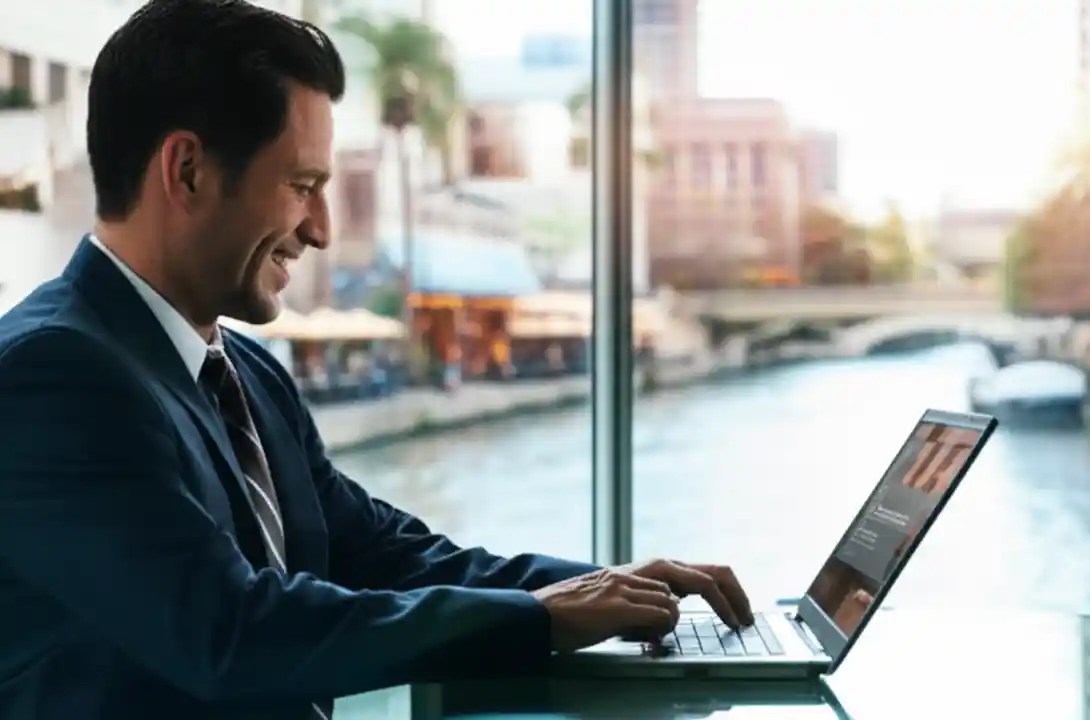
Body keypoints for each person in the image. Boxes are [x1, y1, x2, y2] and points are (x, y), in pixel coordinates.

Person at [0, 2, 752, 718]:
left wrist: (605, 589)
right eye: (302, 187)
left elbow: (387, 556)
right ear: (188, 170)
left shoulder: (248, 374)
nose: (322, 229)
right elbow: (230, 631)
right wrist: (539, 619)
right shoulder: (52, 376)